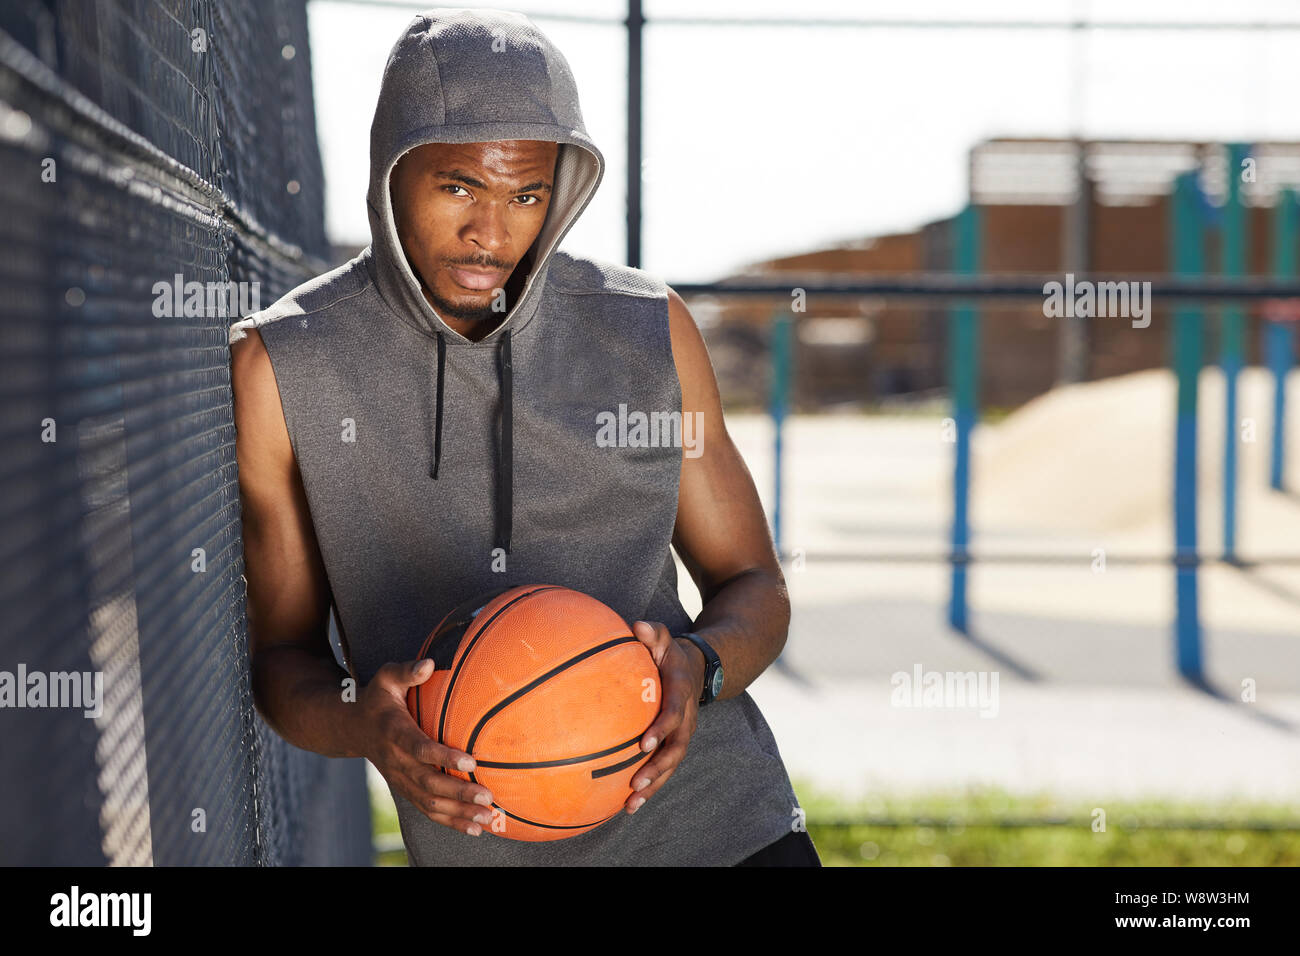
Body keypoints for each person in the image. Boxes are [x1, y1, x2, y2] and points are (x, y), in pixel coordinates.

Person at [229, 7, 818, 866]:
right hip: (484, 844)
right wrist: (366, 724)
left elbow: (754, 582)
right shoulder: (286, 366)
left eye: (527, 195)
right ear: (392, 172)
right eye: (459, 185)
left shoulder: (648, 330)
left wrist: (698, 667)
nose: (491, 234)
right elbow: (283, 658)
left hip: (721, 829)